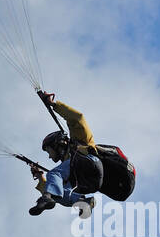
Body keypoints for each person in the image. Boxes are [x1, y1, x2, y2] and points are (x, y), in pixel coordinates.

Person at [28, 91, 104, 219]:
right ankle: (84, 202)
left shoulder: (79, 140)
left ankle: (46, 198)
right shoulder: (66, 165)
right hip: (89, 180)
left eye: (48, 151)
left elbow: (78, 118)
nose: (49, 156)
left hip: (91, 163)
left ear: (56, 144)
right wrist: (39, 176)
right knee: (60, 195)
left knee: (53, 175)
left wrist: (54, 105)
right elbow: (53, 188)